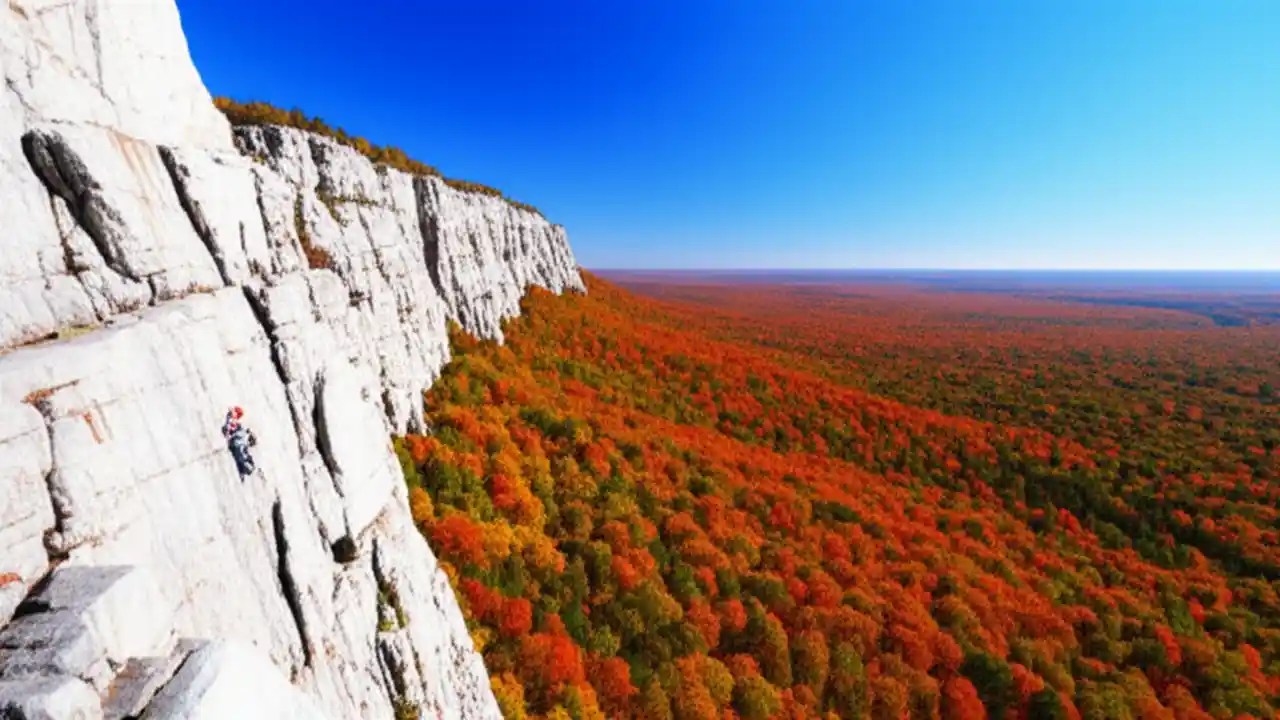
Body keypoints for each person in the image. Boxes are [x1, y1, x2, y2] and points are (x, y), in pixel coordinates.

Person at [222, 406, 258, 475]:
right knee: (242, 454)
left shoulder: (235, 423)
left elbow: (230, 428)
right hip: (237, 441)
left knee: (243, 452)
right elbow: (229, 429)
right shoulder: (232, 422)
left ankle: (250, 467)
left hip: (238, 440)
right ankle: (249, 467)